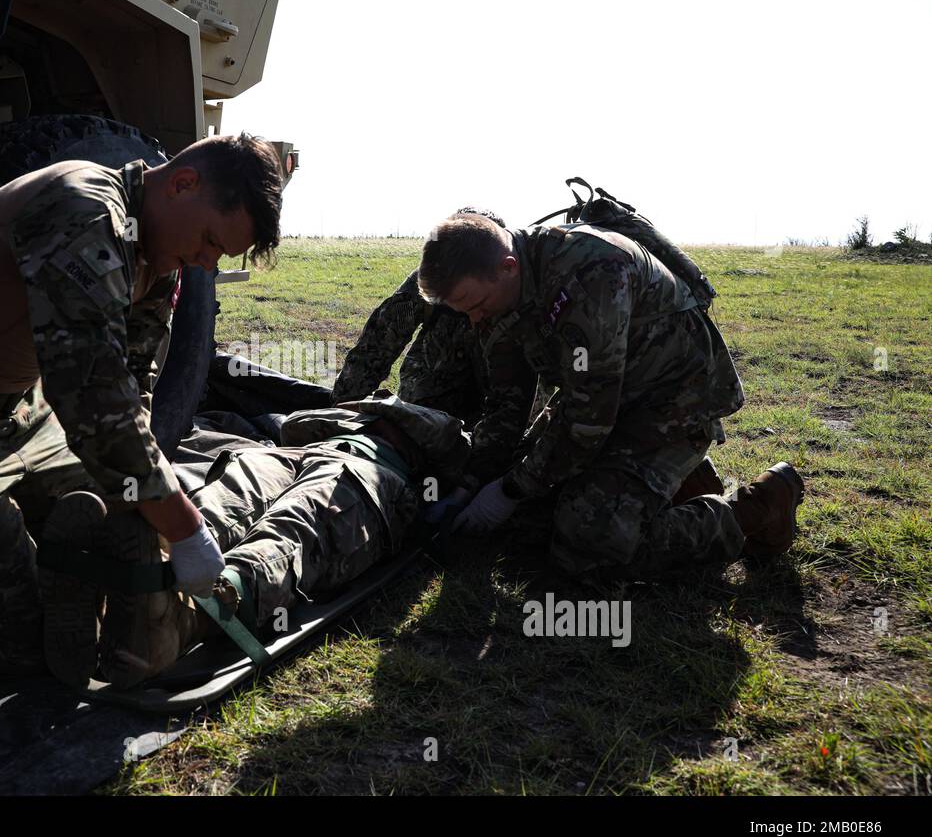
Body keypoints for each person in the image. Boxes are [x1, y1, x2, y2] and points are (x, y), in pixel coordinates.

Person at [0, 133, 284, 672]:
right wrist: (184, 527)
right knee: (9, 634)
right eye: (211, 242)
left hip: (25, 414)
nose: (204, 263)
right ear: (183, 183)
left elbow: (133, 383)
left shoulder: (158, 254)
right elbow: (94, 390)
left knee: (120, 512)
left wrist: (147, 501)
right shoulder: (84, 210)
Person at [416, 211, 803, 582]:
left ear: (508, 266)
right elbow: (508, 403)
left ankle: (757, 508)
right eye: (465, 311)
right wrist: (473, 481)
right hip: (601, 397)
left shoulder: (590, 272)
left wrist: (509, 489)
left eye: (478, 305)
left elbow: (589, 421)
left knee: (589, 545)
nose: (476, 320)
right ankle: (677, 484)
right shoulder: (498, 295)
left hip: (671, 401)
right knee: (532, 522)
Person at [64, 393, 469, 686]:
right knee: (223, 503)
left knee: (292, 530)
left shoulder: (442, 429)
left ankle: (181, 624)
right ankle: (128, 588)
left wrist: (371, 406)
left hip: (372, 474)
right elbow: (295, 425)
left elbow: (448, 445)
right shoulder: (348, 416)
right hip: (295, 454)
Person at [329, 207, 504, 424]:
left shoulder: (512, 286)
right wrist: (340, 413)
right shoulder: (431, 279)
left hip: (498, 418)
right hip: (424, 412)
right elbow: (377, 346)